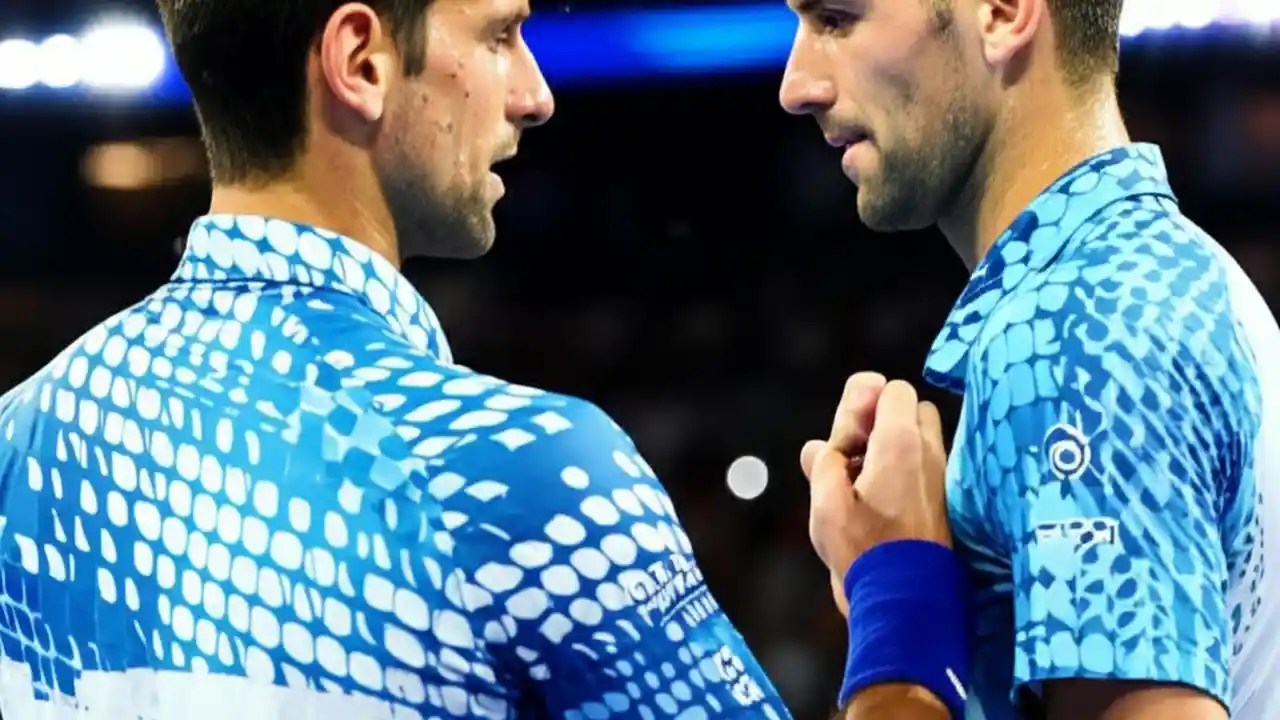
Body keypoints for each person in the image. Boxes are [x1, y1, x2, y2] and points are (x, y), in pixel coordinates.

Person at [0, 0, 963, 718]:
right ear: (361, 60)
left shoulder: (19, 439)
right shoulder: (515, 471)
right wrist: (898, 595)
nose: (535, 95)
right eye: (499, 36)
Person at [781, 0, 1280, 718]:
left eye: (836, 17)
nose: (796, 84)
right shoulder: (1191, 275)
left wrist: (897, 598)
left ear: (1001, 12)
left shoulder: (1073, 335)